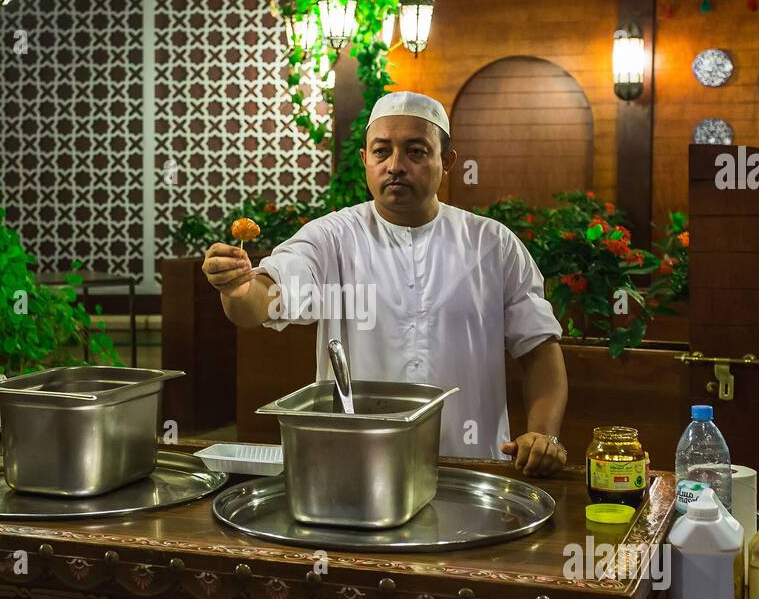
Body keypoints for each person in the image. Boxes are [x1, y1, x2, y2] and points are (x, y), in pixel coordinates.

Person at [202, 91, 568, 476]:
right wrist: (237, 288)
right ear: (365, 160)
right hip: (353, 468)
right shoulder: (331, 238)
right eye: (381, 152)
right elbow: (260, 302)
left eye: (415, 152)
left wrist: (544, 436)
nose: (395, 166)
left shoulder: (492, 245)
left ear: (447, 161)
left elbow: (540, 348)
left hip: (471, 467)